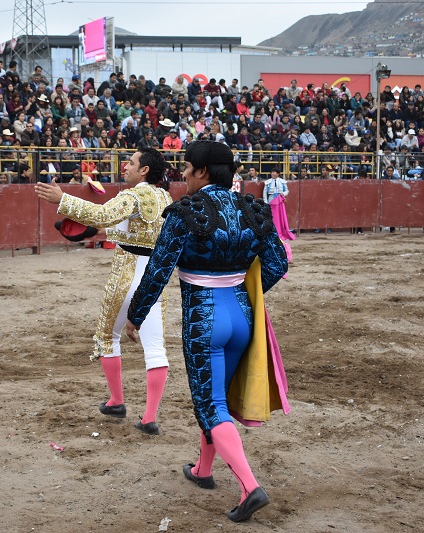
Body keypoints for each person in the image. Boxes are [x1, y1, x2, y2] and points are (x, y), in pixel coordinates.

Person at [125, 140, 289, 522]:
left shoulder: (185, 212)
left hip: (204, 319)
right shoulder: (252, 209)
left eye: (186, 168)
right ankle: (202, 469)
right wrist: (245, 293)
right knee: (216, 397)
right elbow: (278, 263)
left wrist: (136, 315)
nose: (183, 175)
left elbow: (159, 270)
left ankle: (250, 487)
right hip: (241, 318)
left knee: (210, 402)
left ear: (201, 172)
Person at [35, 147, 173, 434]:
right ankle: (149, 417)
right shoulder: (164, 197)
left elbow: (102, 214)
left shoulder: (132, 196)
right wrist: (94, 231)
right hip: (154, 277)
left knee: (108, 337)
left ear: (144, 170)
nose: (125, 166)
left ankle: (117, 401)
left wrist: (63, 199)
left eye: (131, 163)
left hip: (126, 275)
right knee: (155, 348)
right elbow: (131, 229)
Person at [262, 169, 294, 262]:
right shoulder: (268, 182)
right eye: (271, 172)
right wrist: (266, 202)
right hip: (271, 200)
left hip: (279, 201)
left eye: (274, 172)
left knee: (279, 217)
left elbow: (287, 190)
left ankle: (280, 230)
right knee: (272, 217)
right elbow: (265, 193)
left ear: (278, 174)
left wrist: (283, 194)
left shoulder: (282, 181)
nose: (272, 173)